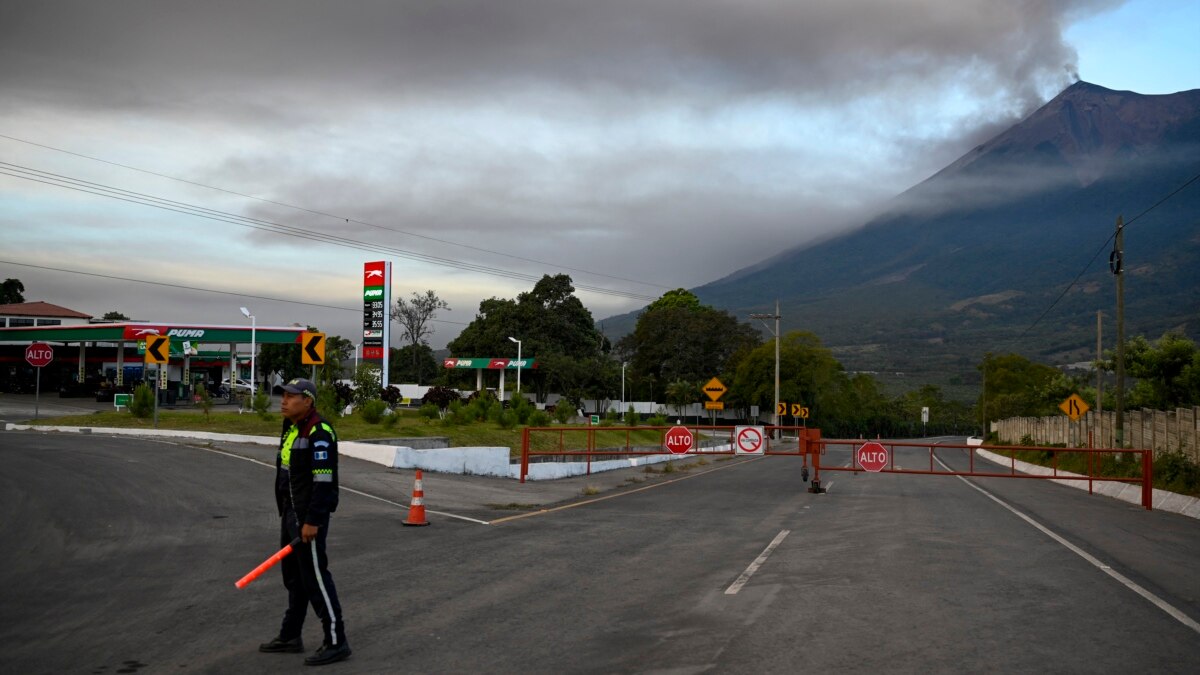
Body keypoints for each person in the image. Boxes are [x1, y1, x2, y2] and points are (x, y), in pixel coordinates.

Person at [258, 378, 351, 666]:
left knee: (316, 579)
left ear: (308, 401)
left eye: (291, 396)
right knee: (295, 579)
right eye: (283, 395)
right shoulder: (292, 428)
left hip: (307, 521)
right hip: (291, 515)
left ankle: (337, 641)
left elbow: (323, 483)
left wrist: (313, 521)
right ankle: (290, 636)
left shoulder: (318, 432)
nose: (284, 401)